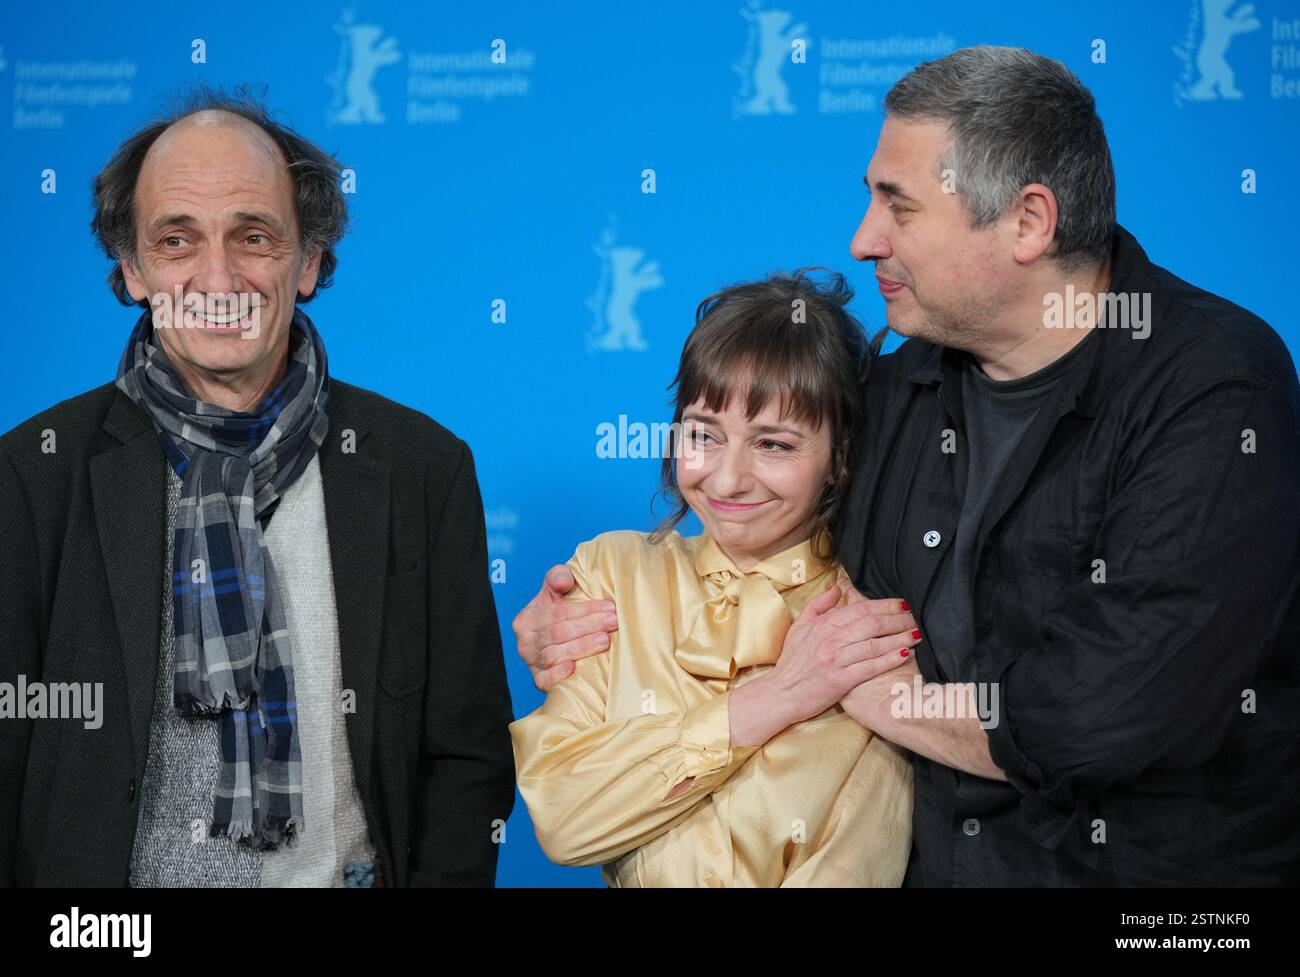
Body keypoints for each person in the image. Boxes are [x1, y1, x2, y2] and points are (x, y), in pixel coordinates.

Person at [516, 46, 1300, 886]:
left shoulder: (1213, 386)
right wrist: (589, 621)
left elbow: (1101, 715)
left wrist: (872, 693)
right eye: (869, 198)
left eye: (900, 206)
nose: (863, 239)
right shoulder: (886, 392)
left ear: (1029, 222)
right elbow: (749, 507)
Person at [0, 85, 516, 887]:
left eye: (254, 236)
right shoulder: (32, 472)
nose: (218, 275)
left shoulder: (423, 467)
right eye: (177, 240)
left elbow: (467, 758)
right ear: (132, 269)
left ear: (308, 260)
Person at [509, 270, 916, 886]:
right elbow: (565, 821)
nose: (726, 481)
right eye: (703, 434)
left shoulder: (866, 621)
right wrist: (776, 698)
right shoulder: (610, 573)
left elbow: (860, 855)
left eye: (774, 445)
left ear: (839, 459)